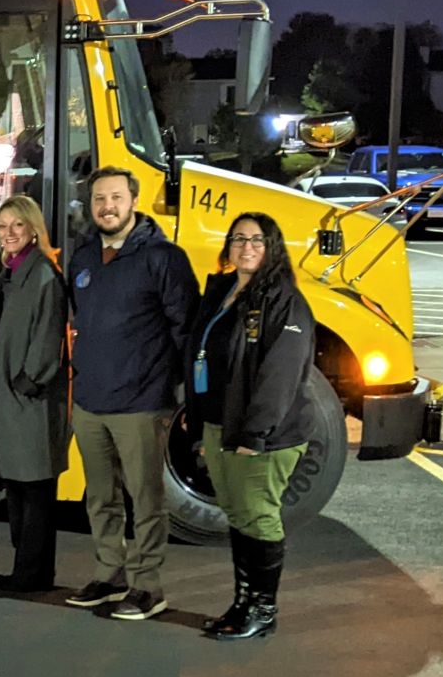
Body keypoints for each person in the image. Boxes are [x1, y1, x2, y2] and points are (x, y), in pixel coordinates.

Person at [63, 166, 198, 621]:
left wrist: (182, 396)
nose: (107, 206)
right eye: (99, 198)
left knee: (145, 500)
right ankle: (110, 574)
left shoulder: (163, 258)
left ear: (134, 201)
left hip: (142, 404)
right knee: (99, 498)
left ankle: (147, 586)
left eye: (116, 197)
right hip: (90, 401)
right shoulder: (83, 259)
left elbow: (187, 330)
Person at [187, 213, 315, 642]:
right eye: (239, 239)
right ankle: (243, 602)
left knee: (258, 518)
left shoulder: (285, 301)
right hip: (220, 424)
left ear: (272, 247)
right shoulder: (224, 291)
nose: (246, 247)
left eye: (257, 240)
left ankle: (263, 609)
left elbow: (280, 374)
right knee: (239, 514)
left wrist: (254, 435)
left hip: (260, 435)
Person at [0, 196, 70, 593]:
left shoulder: (41, 274)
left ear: (33, 228)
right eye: (3, 227)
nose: (9, 233)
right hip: (14, 396)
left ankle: (30, 574)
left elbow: (48, 333)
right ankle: (30, 571)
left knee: (34, 489)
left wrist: (29, 379)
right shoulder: (12, 272)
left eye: (17, 225)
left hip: (29, 398)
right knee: (21, 488)